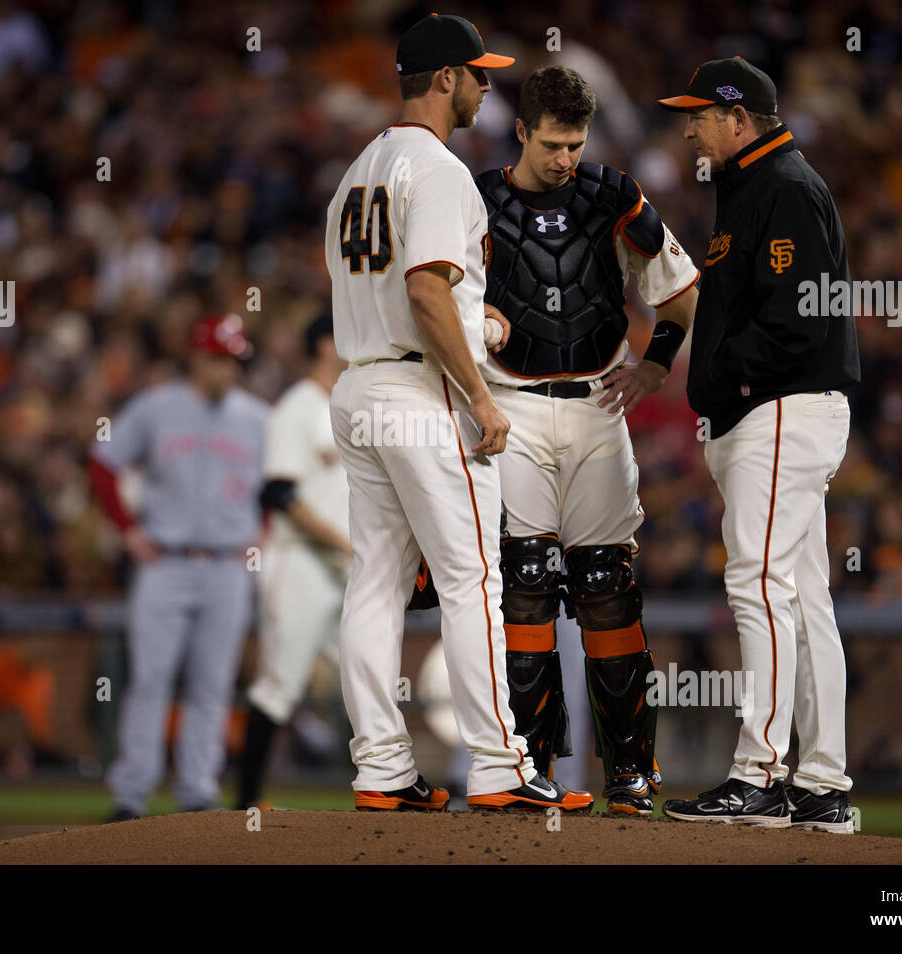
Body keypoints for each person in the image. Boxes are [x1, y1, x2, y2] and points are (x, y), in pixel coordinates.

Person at [324, 13, 591, 813]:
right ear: (444, 79)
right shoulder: (438, 169)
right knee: (472, 576)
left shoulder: (358, 172)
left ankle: (380, 767)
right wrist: (478, 389)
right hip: (422, 392)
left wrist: (475, 324)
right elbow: (424, 289)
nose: (485, 85)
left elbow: (404, 296)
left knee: (373, 583)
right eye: (476, 73)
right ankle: (502, 766)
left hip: (361, 388)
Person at [474, 66, 700, 815]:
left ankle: (632, 773)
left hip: (599, 406)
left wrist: (657, 363)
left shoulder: (614, 195)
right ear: (522, 131)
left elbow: (680, 290)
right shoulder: (474, 199)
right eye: (553, 143)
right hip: (511, 407)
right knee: (527, 583)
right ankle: (533, 765)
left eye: (575, 143)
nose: (566, 158)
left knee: (606, 587)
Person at [656, 58, 860, 831]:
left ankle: (759, 773)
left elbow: (798, 320)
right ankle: (823, 783)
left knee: (758, 584)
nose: (688, 126)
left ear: (740, 119)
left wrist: (724, 380)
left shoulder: (786, 188)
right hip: (777, 413)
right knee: (803, 600)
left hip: (781, 410)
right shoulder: (753, 185)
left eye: (700, 113)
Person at [89, 312, 268, 820]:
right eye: (218, 360)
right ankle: (131, 793)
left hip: (227, 565)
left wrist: (266, 528)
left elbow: (281, 480)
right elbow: (102, 464)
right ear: (196, 357)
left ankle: (197, 790)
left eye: (233, 362)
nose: (226, 371)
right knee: (151, 679)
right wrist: (127, 529)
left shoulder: (257, 418)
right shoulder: (155, 408)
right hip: (164, 563)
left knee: (212, 683)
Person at [235, 314, 350, 810]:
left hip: (347, 568)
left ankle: (392, 788)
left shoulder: (350, 406)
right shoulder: (297, 407)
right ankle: (247, 801)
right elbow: (279, 493)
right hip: (299, 561)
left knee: (369, 677)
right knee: (278, 684)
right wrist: (344, 542)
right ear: (326, 344)